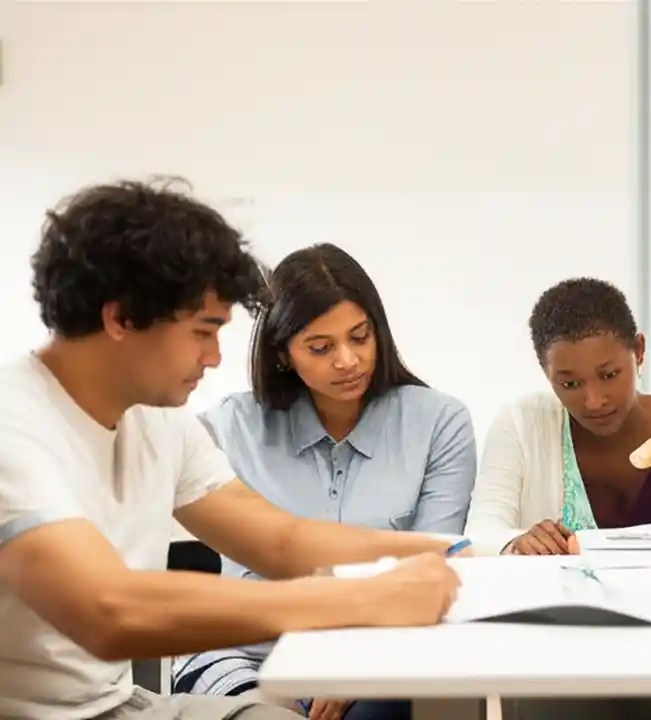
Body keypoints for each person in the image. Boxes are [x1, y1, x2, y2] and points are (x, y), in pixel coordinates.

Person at [0, 180, 460, 720]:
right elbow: (109, 612)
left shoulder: (157, 421)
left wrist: (454, 554)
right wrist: (363, 601)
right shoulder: (15, 426)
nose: (216, 357)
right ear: (121, 318)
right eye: (203, 331)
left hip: (122, 705)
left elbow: (282, 542)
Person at [173, 244, 476, 718]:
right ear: (282, 354)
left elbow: (437, 560)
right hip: (250, 651)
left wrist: (355, 662)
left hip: (386, 644)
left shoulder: (439, 423)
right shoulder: (228, 428)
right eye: (321, 347)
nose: (348, 360)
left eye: (360, 337)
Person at [464, 277, 651, 555]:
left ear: (638, 351)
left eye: (609, 375)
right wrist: (515, 542)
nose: (594, 401)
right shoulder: (521, 422)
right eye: (570, 384)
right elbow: (478, 537)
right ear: (546, 373)